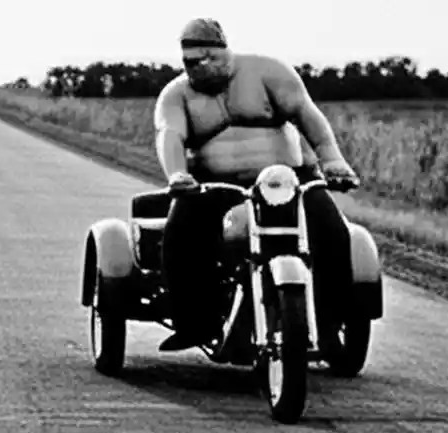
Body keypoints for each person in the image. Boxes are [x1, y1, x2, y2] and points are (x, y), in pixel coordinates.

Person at [152, 18, 362, 351]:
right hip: (212, 186)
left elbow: (308, 116)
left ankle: (330, 322)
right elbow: (170, 135)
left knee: (332, 233)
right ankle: (195, 323)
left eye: (210, 57)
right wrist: (177, 174)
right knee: (180, 237)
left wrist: (333, 161)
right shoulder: (176, 95)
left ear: (225, 50)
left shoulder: (267, 72)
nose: (202, 67)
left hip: (288, 179)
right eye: (192, 62)